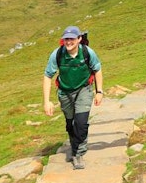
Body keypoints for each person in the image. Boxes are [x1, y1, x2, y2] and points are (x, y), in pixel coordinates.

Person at [42, 25, 104, 169]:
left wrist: (99, 92)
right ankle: (74, 144)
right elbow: (47, 76)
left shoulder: (87, 52)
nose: (69, 42)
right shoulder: (57, 54)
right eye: (66, 39)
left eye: (72, 39)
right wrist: (47, 101)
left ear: (79, 39)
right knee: (70, 124)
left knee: (81, 123)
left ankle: (78, 153)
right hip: (65, 93)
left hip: (84, 90)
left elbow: (97, 69)